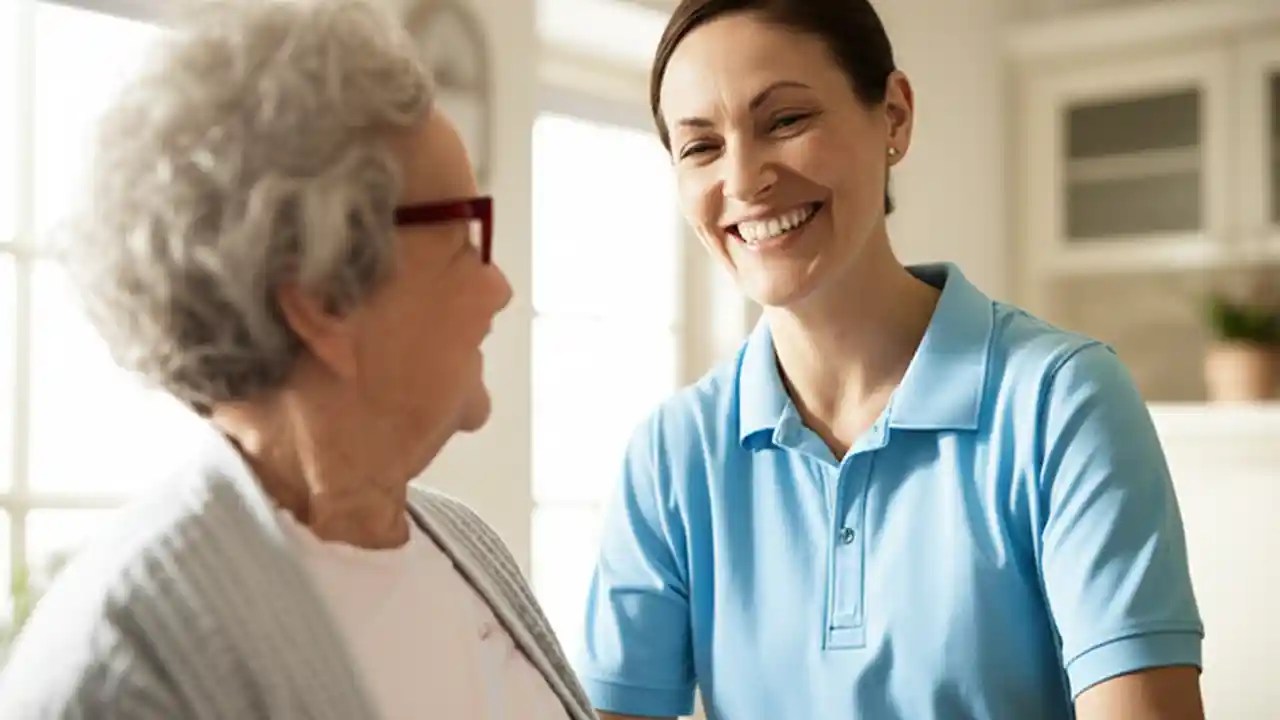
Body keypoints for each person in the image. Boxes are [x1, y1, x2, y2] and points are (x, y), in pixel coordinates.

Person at [573, 1, 1205, 719]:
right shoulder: (671, 455)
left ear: (894, 116)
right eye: (701, 148)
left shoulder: (1061, 403)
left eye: (785, 120)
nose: (744, 180)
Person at [0, 1, 593, 718]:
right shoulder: (127, 663)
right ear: (322, 298)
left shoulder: (464, 548)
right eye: (465, 239)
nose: (498, 288)